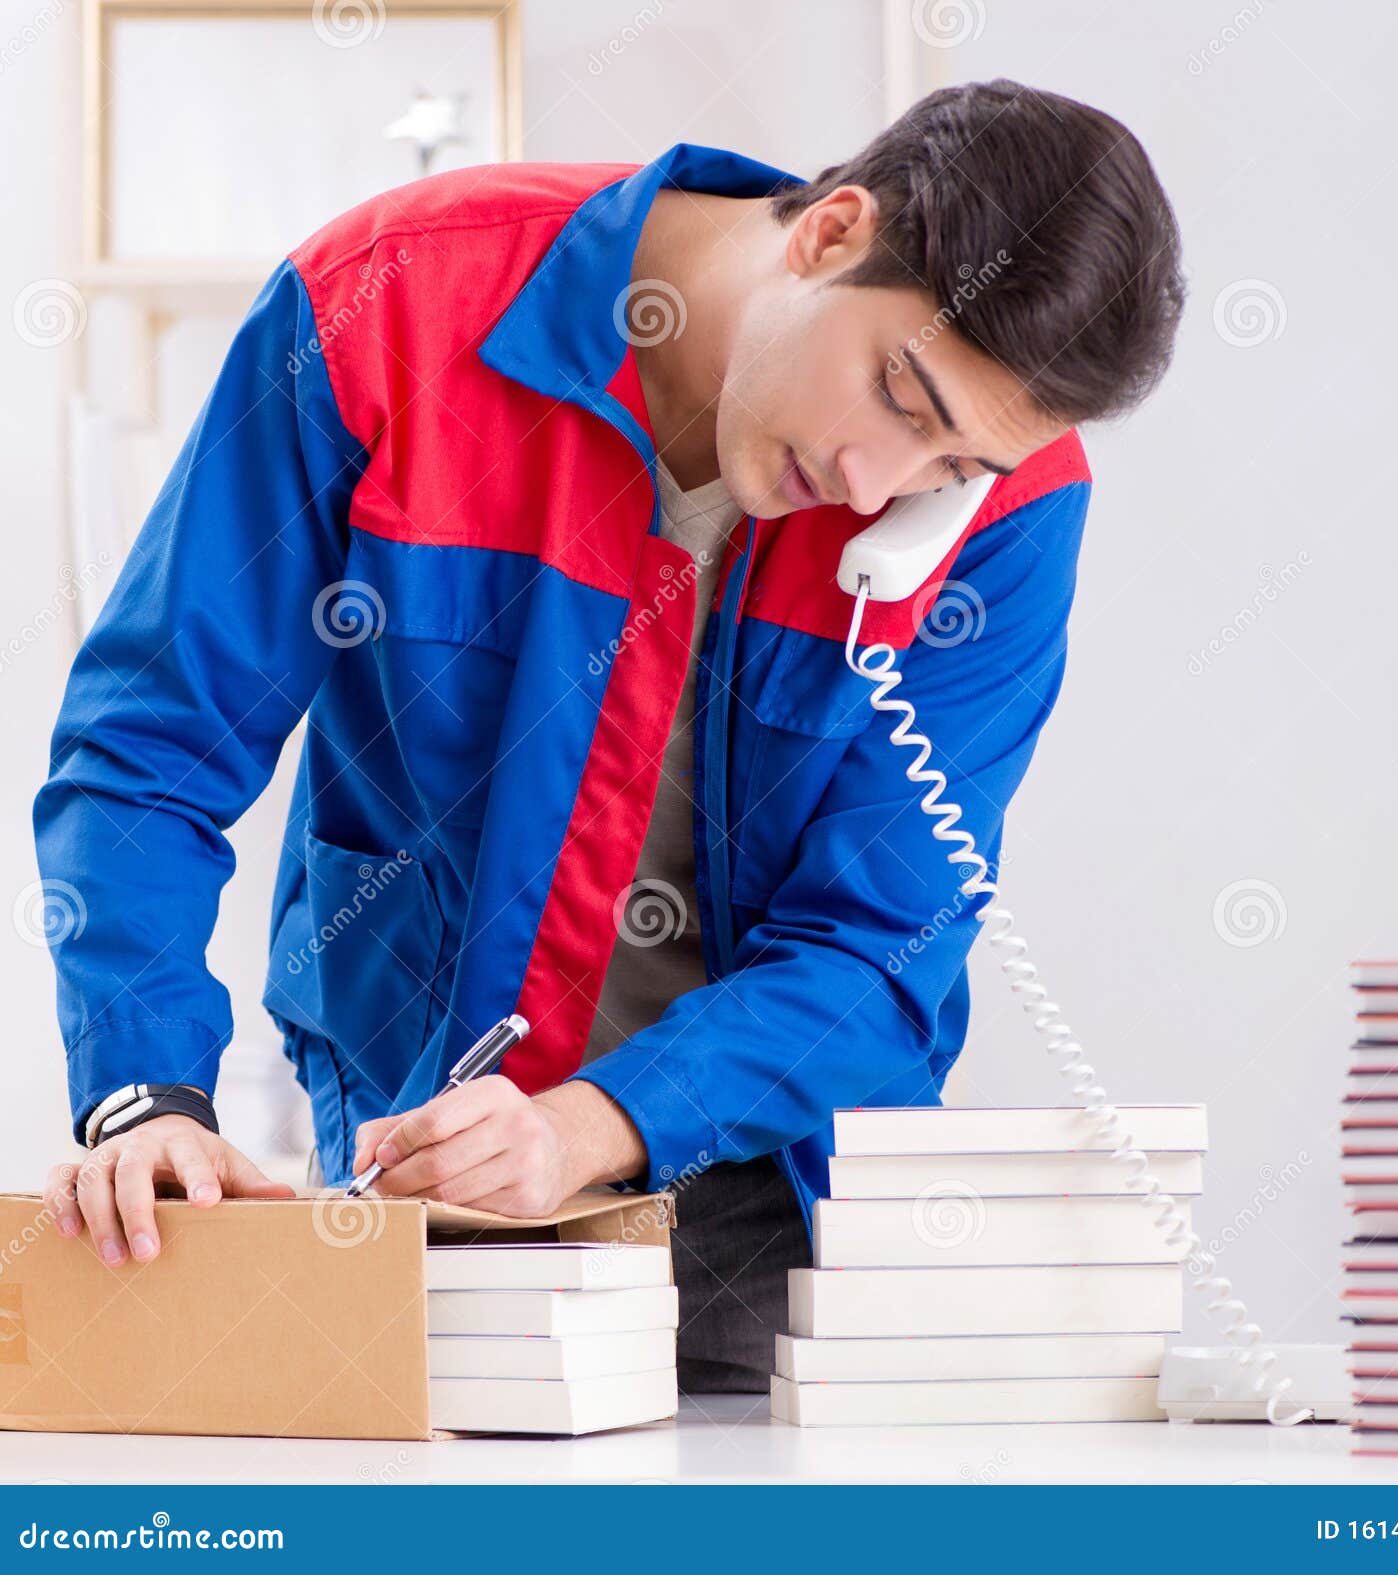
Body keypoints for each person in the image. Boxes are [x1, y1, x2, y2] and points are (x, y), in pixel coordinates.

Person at [34, 79, 1183, 1391]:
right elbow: (147, 753)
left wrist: (589, 1129)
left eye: (952, 466)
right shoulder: (388, 304)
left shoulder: (1010, 513)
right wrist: (147, 1095)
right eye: (901, 399)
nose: (881, 488)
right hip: (413, 1168)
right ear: (830, 232)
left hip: (765, 1208)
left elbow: (883, 945)